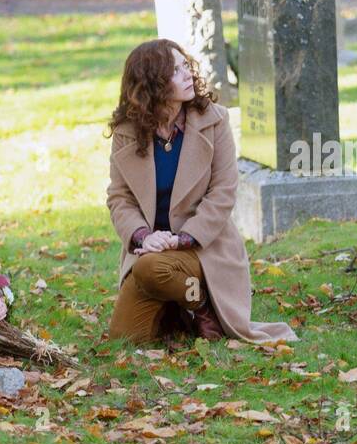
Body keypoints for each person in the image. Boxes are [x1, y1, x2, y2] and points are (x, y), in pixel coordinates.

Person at [105, 39, 297, 345]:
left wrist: (183, 238)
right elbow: (119, 197)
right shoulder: (127, 130)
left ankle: (199, 303)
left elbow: (223, 192)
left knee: (151, 269)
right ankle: (184, 308)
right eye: (175, 70)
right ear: (152, 82)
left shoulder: (214, 120)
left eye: (186, 66)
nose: (187, 74)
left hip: (202, 247)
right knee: (125, 340)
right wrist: (144, 236)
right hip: (150, 249)